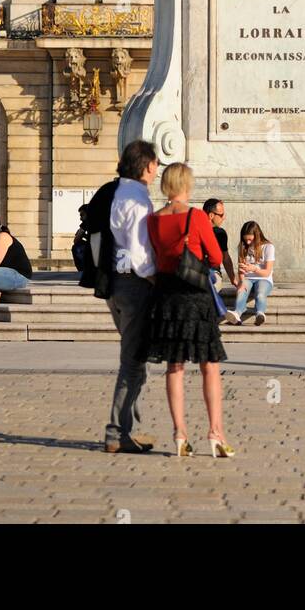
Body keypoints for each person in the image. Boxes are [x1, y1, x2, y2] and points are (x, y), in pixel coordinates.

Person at [145, 163, 233, 459]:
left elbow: (154, 256)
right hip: (195, 295)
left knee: (175, 366)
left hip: (166, 296)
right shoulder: (196, 216)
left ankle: (180, 433)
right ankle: (216, 433)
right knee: (209, 364)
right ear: (187, 184)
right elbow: (216, 255)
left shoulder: (154, 219)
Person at [81, 140, 158, 455]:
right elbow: (141, 254)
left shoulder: (111, 191)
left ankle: (130, 428)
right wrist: (157, 279)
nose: (156, 171)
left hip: (111, 283)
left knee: (136, 360)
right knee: (132, 362)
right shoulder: (138, 199)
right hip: (134, 283)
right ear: (145, 166)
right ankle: (117, 433)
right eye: (154, 165)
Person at [227, 221, 275, 327]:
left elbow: (267, 272)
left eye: (250, 239)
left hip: (264, 279)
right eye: (245, 239)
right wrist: (241, 281)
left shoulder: (268, 247)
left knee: (260, 293)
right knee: (241, 291)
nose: (248, 242)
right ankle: (237, 314)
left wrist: (254, 269)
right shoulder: (242, 246)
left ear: (257, 236)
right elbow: (241, 269)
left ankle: (260, 314)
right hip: (248, 278)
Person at [202, 198, 236, 320]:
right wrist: (233, 279)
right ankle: (221, 309)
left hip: (212, 273)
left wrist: (233, 279)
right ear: (211, 215)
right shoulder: (198, 229)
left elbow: (225, 258)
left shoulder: (219, 233)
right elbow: (225, 258)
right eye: (221, 215)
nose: (224, 218)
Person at [71, 204, 89, 274]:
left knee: (76, 247)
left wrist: (82, 234)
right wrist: (85, 235)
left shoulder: (86, 222)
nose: (80, 218)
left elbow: (76, 240)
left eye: (82, 215)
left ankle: (82, 271)